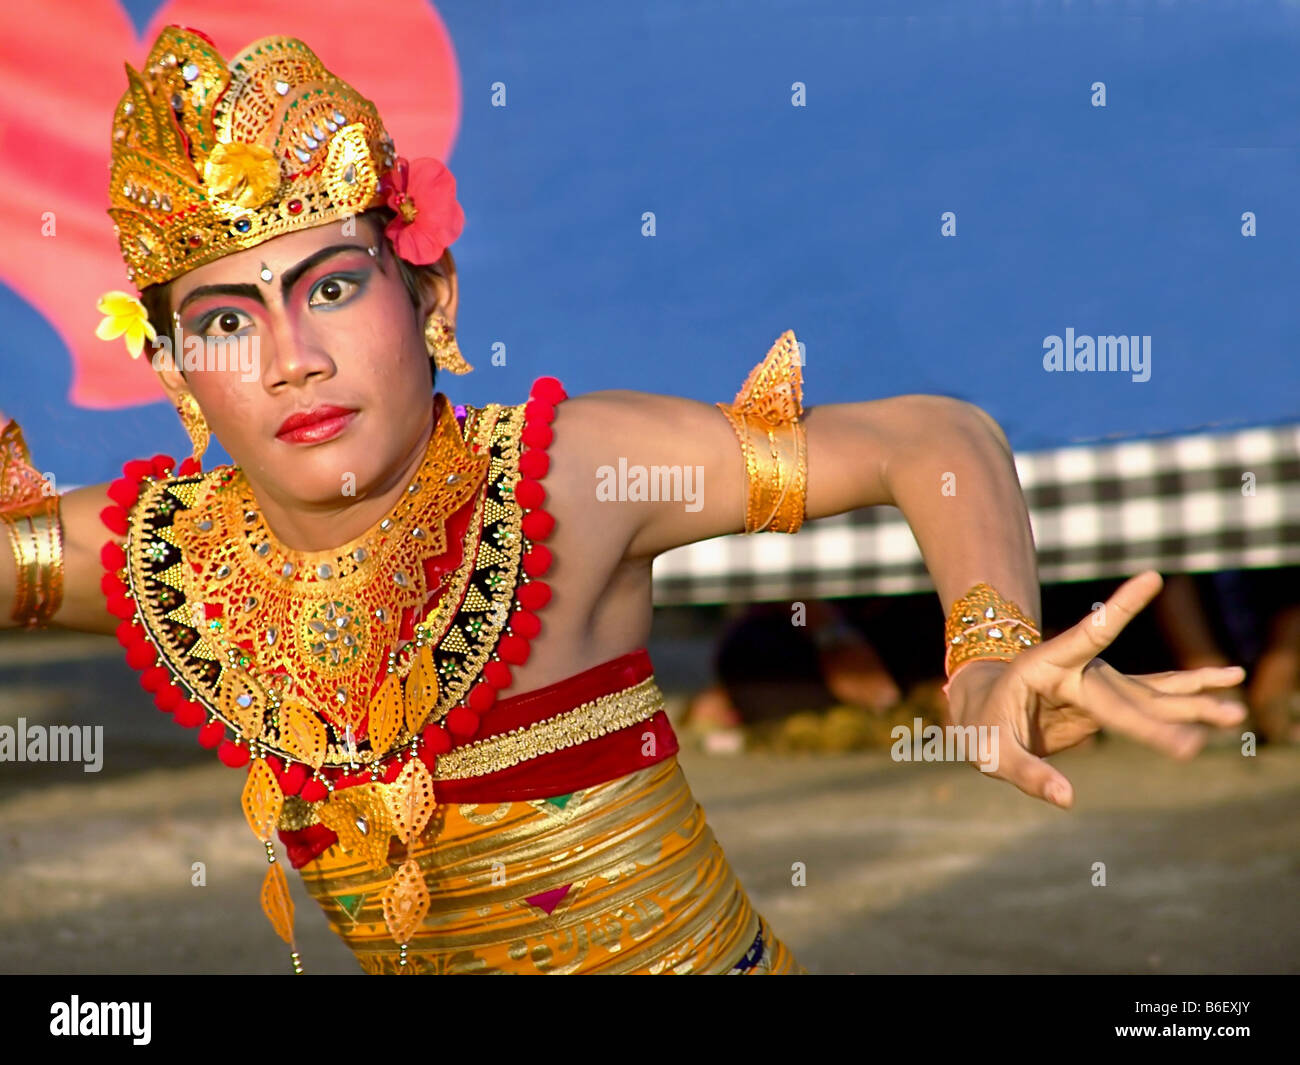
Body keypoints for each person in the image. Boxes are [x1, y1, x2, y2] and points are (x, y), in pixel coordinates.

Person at [0, 25, 1248, 975]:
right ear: (172, 375)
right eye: (227, 319)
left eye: (331, 288)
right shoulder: (161, 558)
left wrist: (986, 649)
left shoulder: (567, 478)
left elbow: (931, 437)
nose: (290, 356)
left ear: (432, 303)